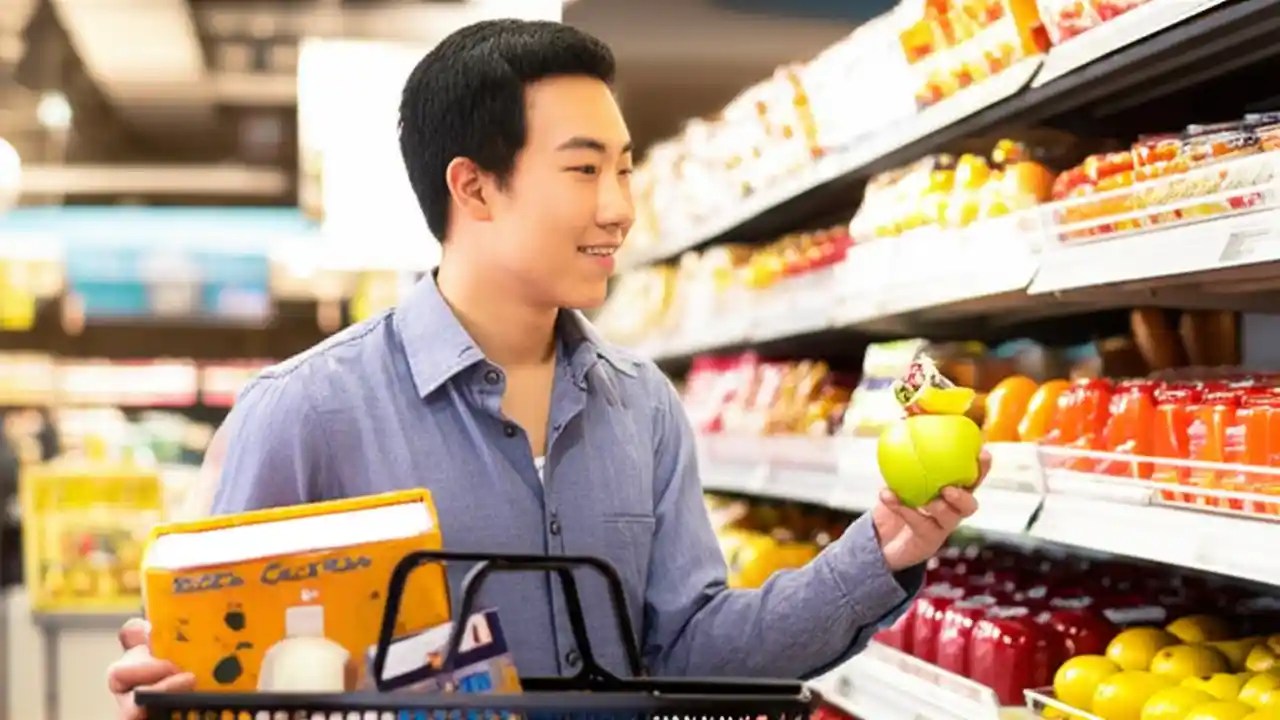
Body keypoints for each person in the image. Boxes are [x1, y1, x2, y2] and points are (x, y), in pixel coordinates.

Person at [108, 18, 985, 719]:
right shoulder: (305, 413)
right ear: (473, 187)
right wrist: (178, 688)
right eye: (583, 170)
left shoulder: (644, 408)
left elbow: (689, 651)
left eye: (625, 170)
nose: (620, 208)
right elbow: (218, 660)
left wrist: (882, 550)